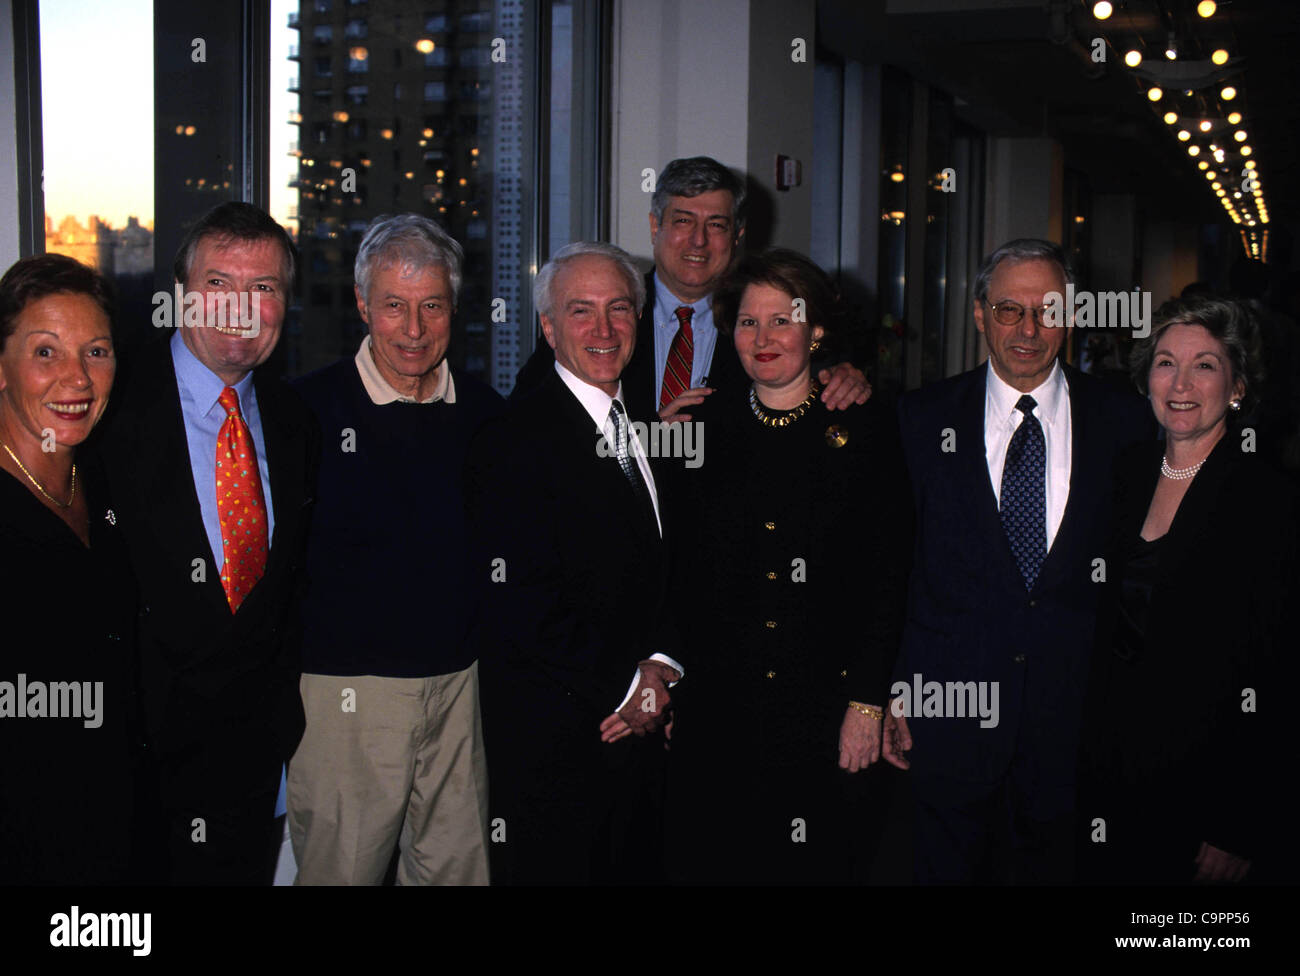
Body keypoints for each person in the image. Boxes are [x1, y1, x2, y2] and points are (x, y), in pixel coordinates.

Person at [882, 239, 1155, 884]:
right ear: (979, 315)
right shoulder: (918, 420)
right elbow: (894, 568)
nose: (1029, 330)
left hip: (1075, 732)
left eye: (1048, 309)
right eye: (1009, 310)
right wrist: (886, 692)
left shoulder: (1126, 423)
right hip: (948, 722)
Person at [665, 249, 912, 884]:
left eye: (783, 320)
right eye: (749, 323)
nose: (764, 338)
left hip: (826, 713)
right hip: (720, 716)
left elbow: (889, 577)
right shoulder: (699, 427)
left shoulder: (864, 428)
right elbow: (673, 575)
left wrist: (866, 702)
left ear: (817, 329)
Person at [98, 202, 320, 884]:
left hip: (252, 773)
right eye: (219, 284)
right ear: (180, 296)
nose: (240, 309)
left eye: (264, 289)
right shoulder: (104, 411)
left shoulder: (297, 422)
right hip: (134, 778)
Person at [288, 214, 502, 885]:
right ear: (362, 305)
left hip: (459, 693)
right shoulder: (306, 414)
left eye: (431, 305)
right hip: (346, 698)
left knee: (457, 874)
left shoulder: (486, 415)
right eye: (394, 306)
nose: (414, 329)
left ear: (454, 307)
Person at [465, 242, 683, 884]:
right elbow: (521, 602)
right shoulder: (511, 437)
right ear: (549, 328)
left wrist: (663, 669)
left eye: (619, 309)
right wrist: (629, 684)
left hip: (642, 732)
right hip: (559, 744)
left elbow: (675, 564)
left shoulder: (647, 424)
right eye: (581, 311)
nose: (604, 329)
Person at [1079, 295, 1297, 885]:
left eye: (1204, 364)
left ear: (1237, 386)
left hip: (1203, 790)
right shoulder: (1125, 473)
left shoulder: (1268, 500)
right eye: (1165, 362)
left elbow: (1277, 677)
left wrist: (1238, 823)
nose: (1180, 382)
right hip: (1107, 771)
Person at [512, 156, 870, 418]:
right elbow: (534, 421)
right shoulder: (608, 320)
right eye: (683, 220)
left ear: (737, 236)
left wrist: (843, 376)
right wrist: (647, 439)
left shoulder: (761, 323)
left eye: (716, 224)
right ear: (656, 227)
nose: (698, 241)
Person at [0, 254, 139, 884]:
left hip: (114, 823)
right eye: (46, 353)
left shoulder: (102, 478)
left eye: (97, 351)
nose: (78, 379)